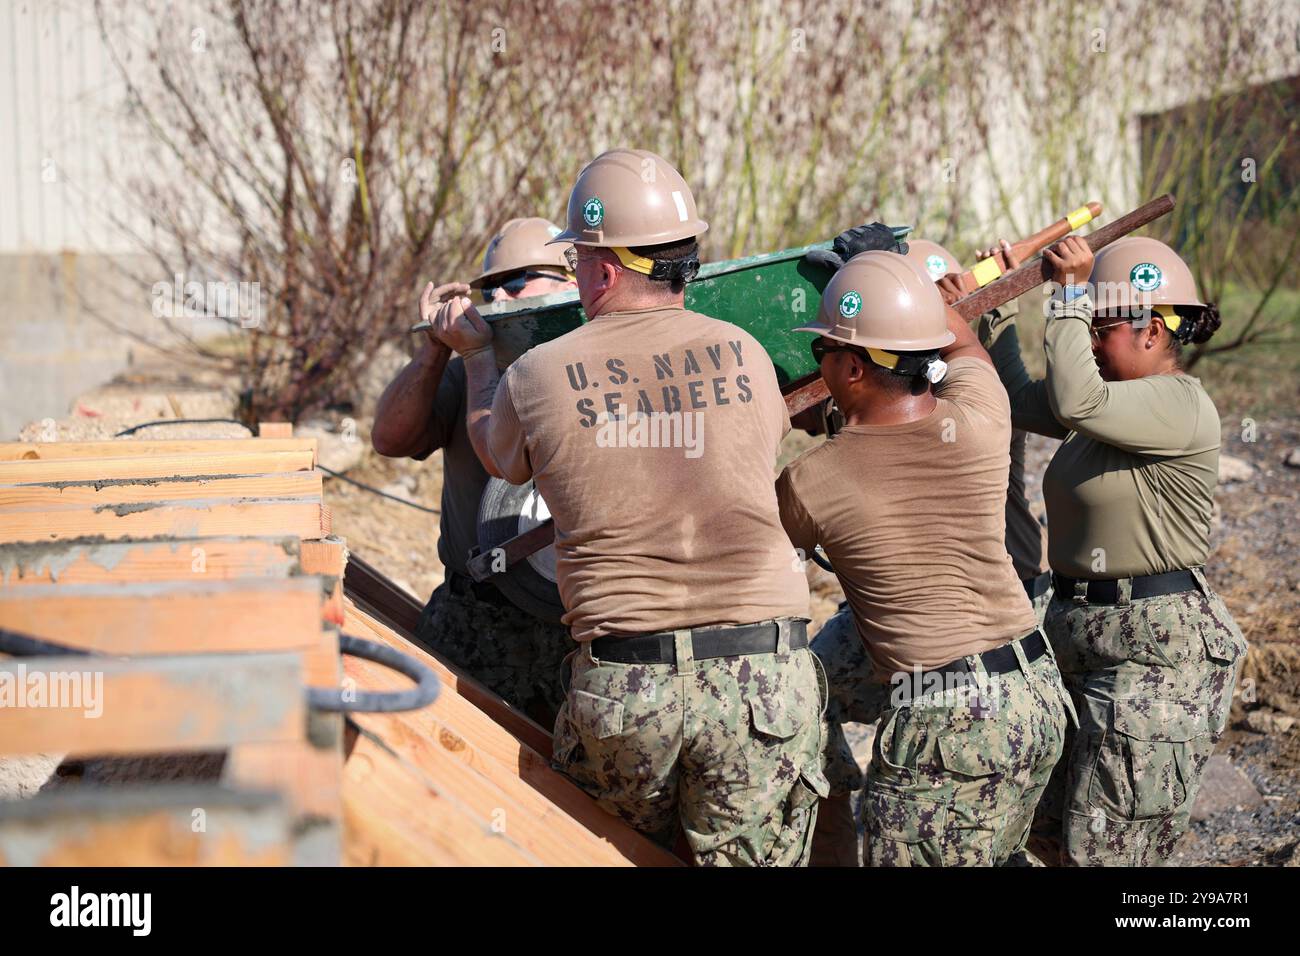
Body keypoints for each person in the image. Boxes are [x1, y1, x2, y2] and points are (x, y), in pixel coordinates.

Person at [426, 148, 826, 866]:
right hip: (765, 681)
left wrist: (478, 358)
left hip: (627, 688)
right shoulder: (743, 354)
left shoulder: (538, 373)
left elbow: (499, 456)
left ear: (605, 270)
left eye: (578, 260)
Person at [777, 249, 1070, 867]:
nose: (818, 363)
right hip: (1034, 692)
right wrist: (918, 292)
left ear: (852, 367)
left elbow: (753, 537)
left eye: (821, 352)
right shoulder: (982, 415)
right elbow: (966, 351)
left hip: (945, 722)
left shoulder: (810, 483)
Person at [978, 234, 1248, 865]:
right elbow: (1019, 398)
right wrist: (992, 307)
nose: (1089, 342)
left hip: (1153, 652)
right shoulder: (1105, 409)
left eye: (1099, 327)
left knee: (1111, 855)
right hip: (1074, 632)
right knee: (1047, 839)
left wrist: (1068, 294)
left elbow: (1074, 397)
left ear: (1152, 331)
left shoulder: (1179, 404)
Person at [371, 217, 577, 726]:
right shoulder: (466, 367)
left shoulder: (597, 368)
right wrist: (434, 353)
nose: (501, 298)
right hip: (476, 615)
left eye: (518, 280)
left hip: (576, 625)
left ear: (571, 283)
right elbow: (389, 439)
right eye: (491, 288)